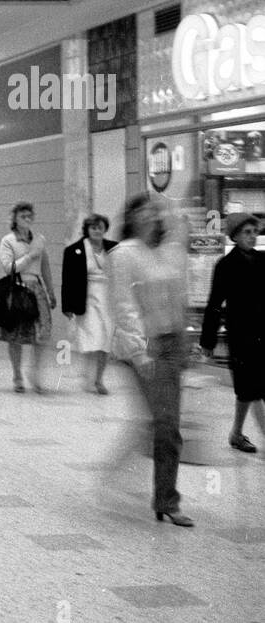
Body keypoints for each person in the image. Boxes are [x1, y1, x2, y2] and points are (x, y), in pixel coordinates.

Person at [110, 195, 193, 527]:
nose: (149, 216)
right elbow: (123, 304)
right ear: (130, 217)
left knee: (165, 423)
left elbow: (179, 298)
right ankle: (167, 500)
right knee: (165, 423)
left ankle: (161, 496)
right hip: (148, 345)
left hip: (173, 343)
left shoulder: (169, 252)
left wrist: (187, 340)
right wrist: (139, 351)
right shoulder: (123, 255)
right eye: (141, 210)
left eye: (153, 211)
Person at [200, 213, 265, 454]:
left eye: (254, 232)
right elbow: (215, 304)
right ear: (235, 236)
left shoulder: (262, 260)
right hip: (241, 336)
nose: (252, 236)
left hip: (262, 334)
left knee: (250, 389)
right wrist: (208, 339)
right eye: (247, 232)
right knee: (254, 389)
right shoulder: (225, 266)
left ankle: (236, 434)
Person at [0, 202, 56, 393]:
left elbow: (45, 267)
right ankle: (17, 375)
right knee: (16, 335)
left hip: (37, 288)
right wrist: (29, 256)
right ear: (15, 219)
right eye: (22, 216)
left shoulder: (39, 239)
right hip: (17, 289)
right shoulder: (8, 240)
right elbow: (8, 267)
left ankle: (35, 374)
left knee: (41, 334)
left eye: (30, 216)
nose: (27, 219)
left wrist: (50, 291)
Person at [61, 214, 118, 394]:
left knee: (106, 339)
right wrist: (67, 306)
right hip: (85, 298)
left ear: (105, 229)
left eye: (100, 227)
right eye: (93, 227)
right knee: (90, 337)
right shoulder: (74, 250)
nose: (97, 230)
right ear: (87, 229)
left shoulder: (115, 248)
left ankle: (99, 379)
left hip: (108, 298)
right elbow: (67, 280)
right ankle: (88, 375)